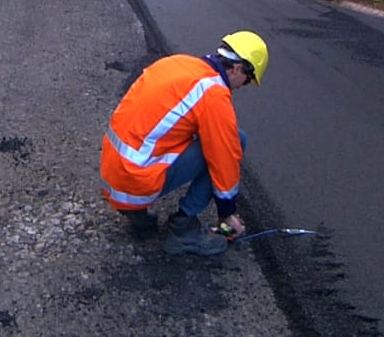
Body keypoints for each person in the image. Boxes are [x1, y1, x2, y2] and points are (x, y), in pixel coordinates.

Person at [100, 31, 269, 256]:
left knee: (189, 133)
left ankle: (135, 212)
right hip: (136, 181)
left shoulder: (177, 63)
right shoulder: (214, 94)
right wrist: (226, 214)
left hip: (113, 175)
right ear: (239, 68)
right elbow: (224, 159)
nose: (240, 87)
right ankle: (182, 229)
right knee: (235, 140)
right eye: (247, 81)